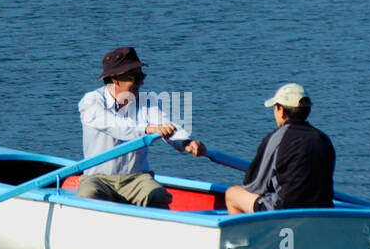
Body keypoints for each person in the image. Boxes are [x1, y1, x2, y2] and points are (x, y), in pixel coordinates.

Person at [77, 46, 206, 208]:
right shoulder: (91, 102)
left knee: (158, 195)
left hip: (136, 179)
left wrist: (186, 142)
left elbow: (165, 124)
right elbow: (113, 124)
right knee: (88, 194)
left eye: (142, 76)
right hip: (98, 180)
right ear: (115, 79)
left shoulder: (146, 101)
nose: (141, 82)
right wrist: (146, 129)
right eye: (135, 77)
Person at [225, 83, 334, 215]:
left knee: (232, 194)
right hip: (323, 209)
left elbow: (254, 185)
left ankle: (243, 235)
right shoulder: (323, 139)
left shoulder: (277, 137)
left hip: (284, 211)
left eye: (275, 108)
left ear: (281, 111)